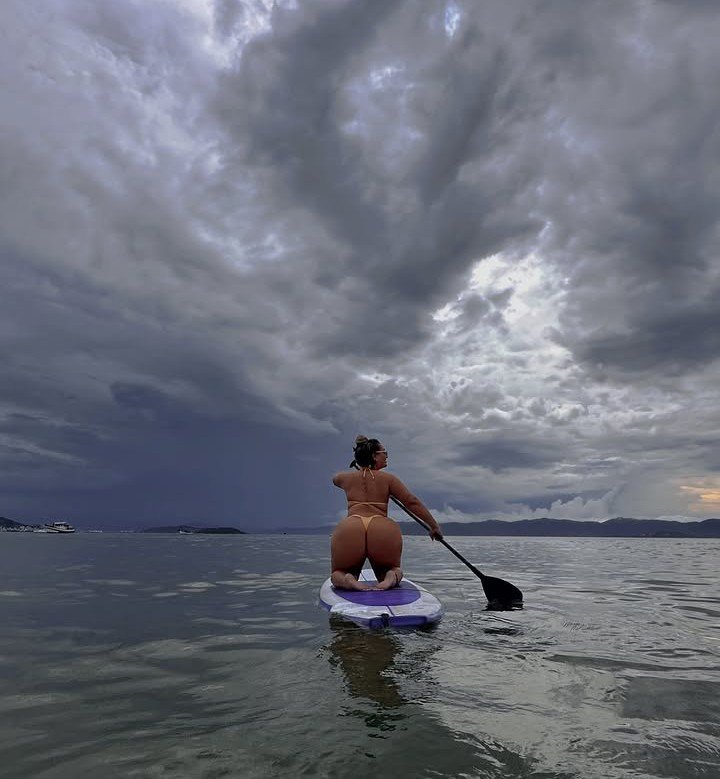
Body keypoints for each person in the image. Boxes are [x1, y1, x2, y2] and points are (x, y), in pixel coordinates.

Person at [331, 435, 443, 591]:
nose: (387, 455)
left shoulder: (345, 478)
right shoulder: (389, 479)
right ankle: (390, 578)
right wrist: (433, 526)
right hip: (381, 526)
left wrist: (359, 466)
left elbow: (335, 478)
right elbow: (411, 501)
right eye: (384, 452)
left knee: (338, 573)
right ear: (374, 456)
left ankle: (348, 579)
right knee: (392, 569)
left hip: (351, 526)